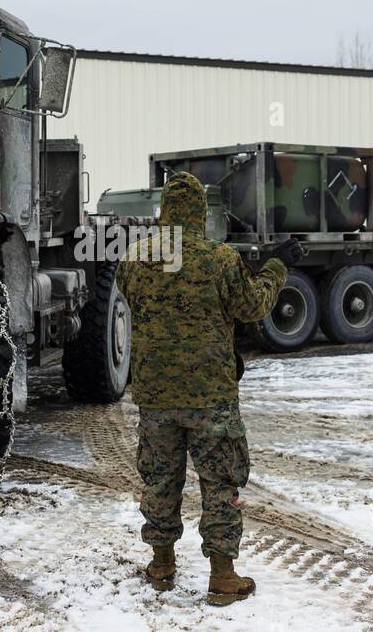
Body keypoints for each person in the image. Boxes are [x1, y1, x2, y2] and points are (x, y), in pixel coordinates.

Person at [116, 171, 303, 605]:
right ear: (201, 212)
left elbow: (138, 296)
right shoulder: (220, 259)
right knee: (219, 482)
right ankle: (222, 578)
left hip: (156, 396)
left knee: (160, 478)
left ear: (164, 211)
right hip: (211, 395)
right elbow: (252, 304)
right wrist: (277, 266)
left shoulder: (134, 259)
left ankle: (161, 565)